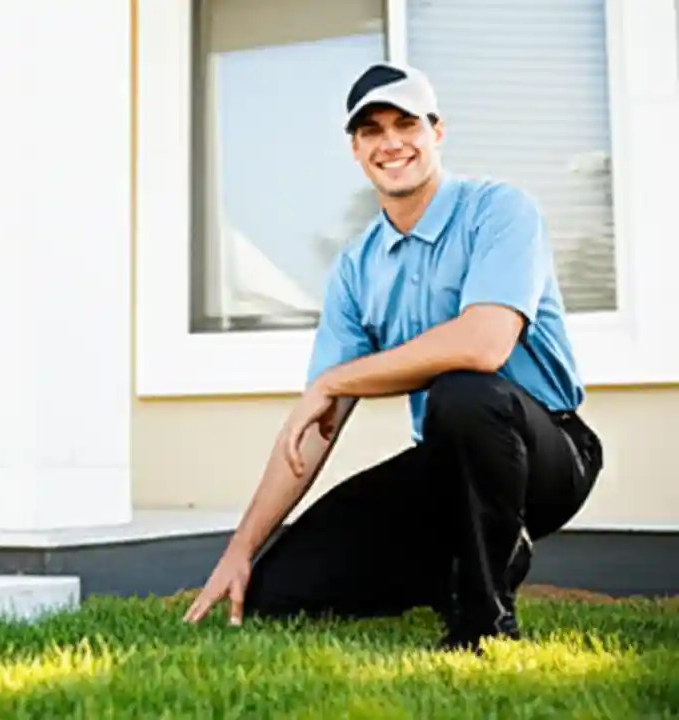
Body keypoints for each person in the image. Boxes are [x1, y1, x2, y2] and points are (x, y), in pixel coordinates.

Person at [182, 62, 603, 651]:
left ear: (437, 131)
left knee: (463, 392)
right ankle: (451, 571)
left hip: (547, 455)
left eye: (406, 124)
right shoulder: (357, 268)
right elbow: (317, 427)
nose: (391, 143)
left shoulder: (501, 210)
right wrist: (240, 550)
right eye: (372, 130)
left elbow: (483, 345)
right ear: (356, 149)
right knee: (279, 591)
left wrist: (337, 380)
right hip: (446, 465)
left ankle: (484, 622)